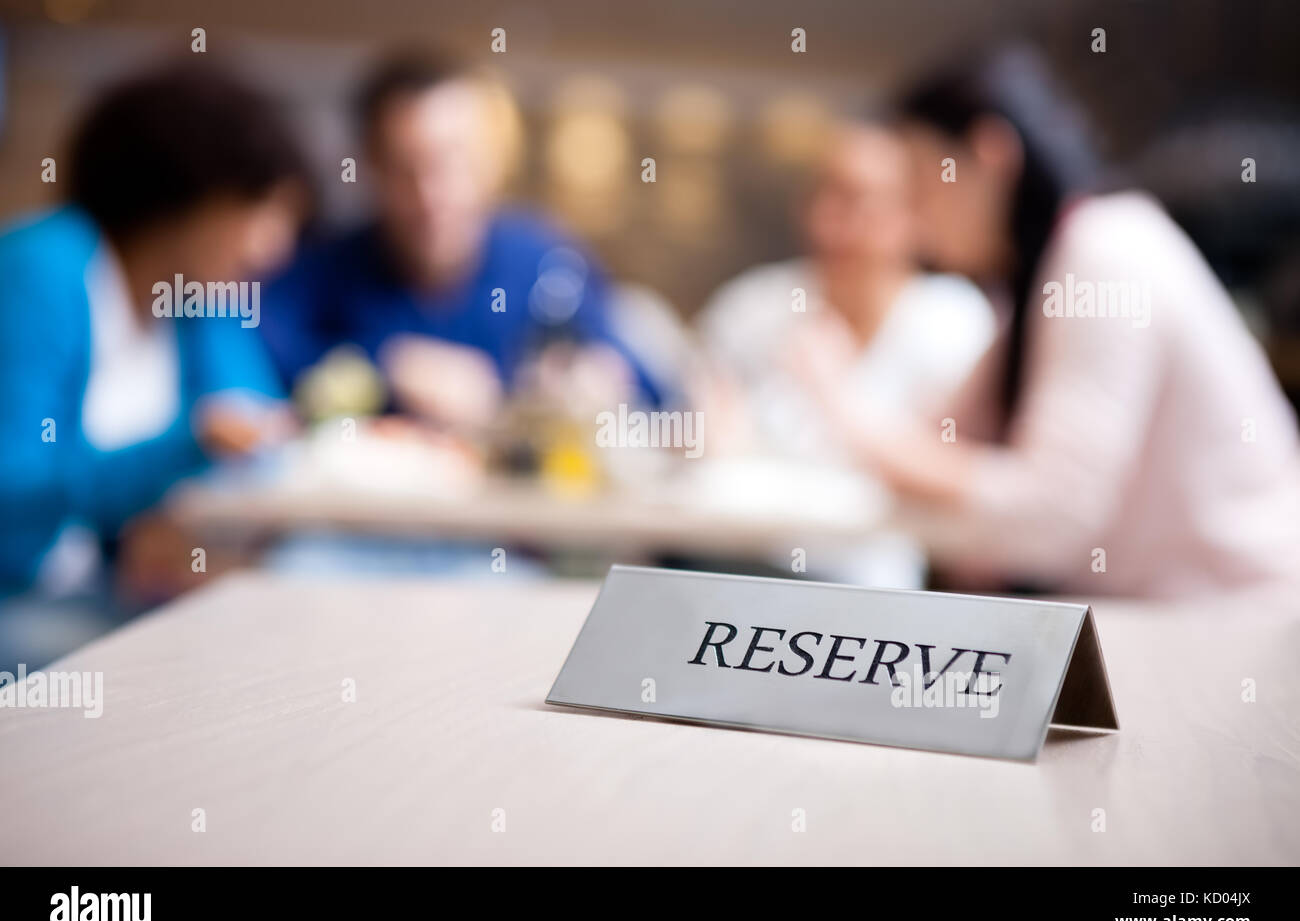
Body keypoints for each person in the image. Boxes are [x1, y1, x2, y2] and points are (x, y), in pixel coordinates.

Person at [804, 47, 1300, 597]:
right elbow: (941, 452)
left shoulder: (1105, 253)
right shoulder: (1042, 276)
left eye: (922, 183)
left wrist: (842, 404)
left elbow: (1050, 518)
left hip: (1227, 627)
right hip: (1155, 621)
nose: (916, 222)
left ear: (989, 155)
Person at [0, 62, 308, 666]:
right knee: (222, 670)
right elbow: (12, 486)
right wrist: (182, 449)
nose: (275, 247)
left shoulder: (190, 299)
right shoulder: (45, 269)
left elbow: (255, 424)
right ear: (188, 198)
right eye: (259, 211)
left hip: (100, 594)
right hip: (22, 600)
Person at [260, 50, 662, 431]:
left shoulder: (545, 260)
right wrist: (383, 366)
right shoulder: (329, 271)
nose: (429, 196)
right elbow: (258, 360)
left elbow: (647, 387)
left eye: (449, 162)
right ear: (371, 168)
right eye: (405, 169)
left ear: (491, 160)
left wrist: (601, 381)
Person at [697, 122, 994, 461]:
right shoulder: (749, 309)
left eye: (856, 201)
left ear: (913, 214)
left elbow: (963, 463)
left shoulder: (957, 323)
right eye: (819, 196)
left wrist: (838, 398)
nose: (828, 223)